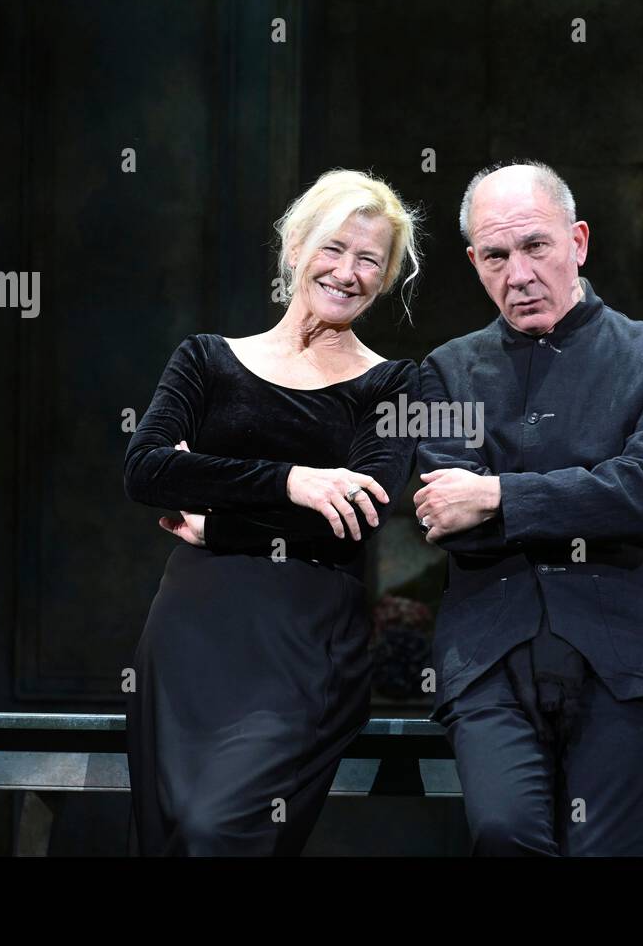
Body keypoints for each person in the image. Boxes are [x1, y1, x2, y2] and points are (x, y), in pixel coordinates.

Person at [122, 169, 422, 855]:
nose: (347, 272)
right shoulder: (206, 359)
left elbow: (358, 513)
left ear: (385, 278)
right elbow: (147, 470)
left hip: (304, 636)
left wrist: (218, 517)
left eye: (369, 260)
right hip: (190, 632)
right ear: (294, 247)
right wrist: (293, 482)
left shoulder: (394, 383)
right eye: (333, 247)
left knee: (216, 830)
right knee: (168, 833)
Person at [413, 160, 643, 856]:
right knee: (505, 835)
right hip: (489, 656)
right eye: (496, 256)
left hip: (623, 658)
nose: (518, 275)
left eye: (536, 246)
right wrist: (610, 503)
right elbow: (450, 524)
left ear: (578, 241)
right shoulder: (446, 371)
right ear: (475, 262)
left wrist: (495, 492)